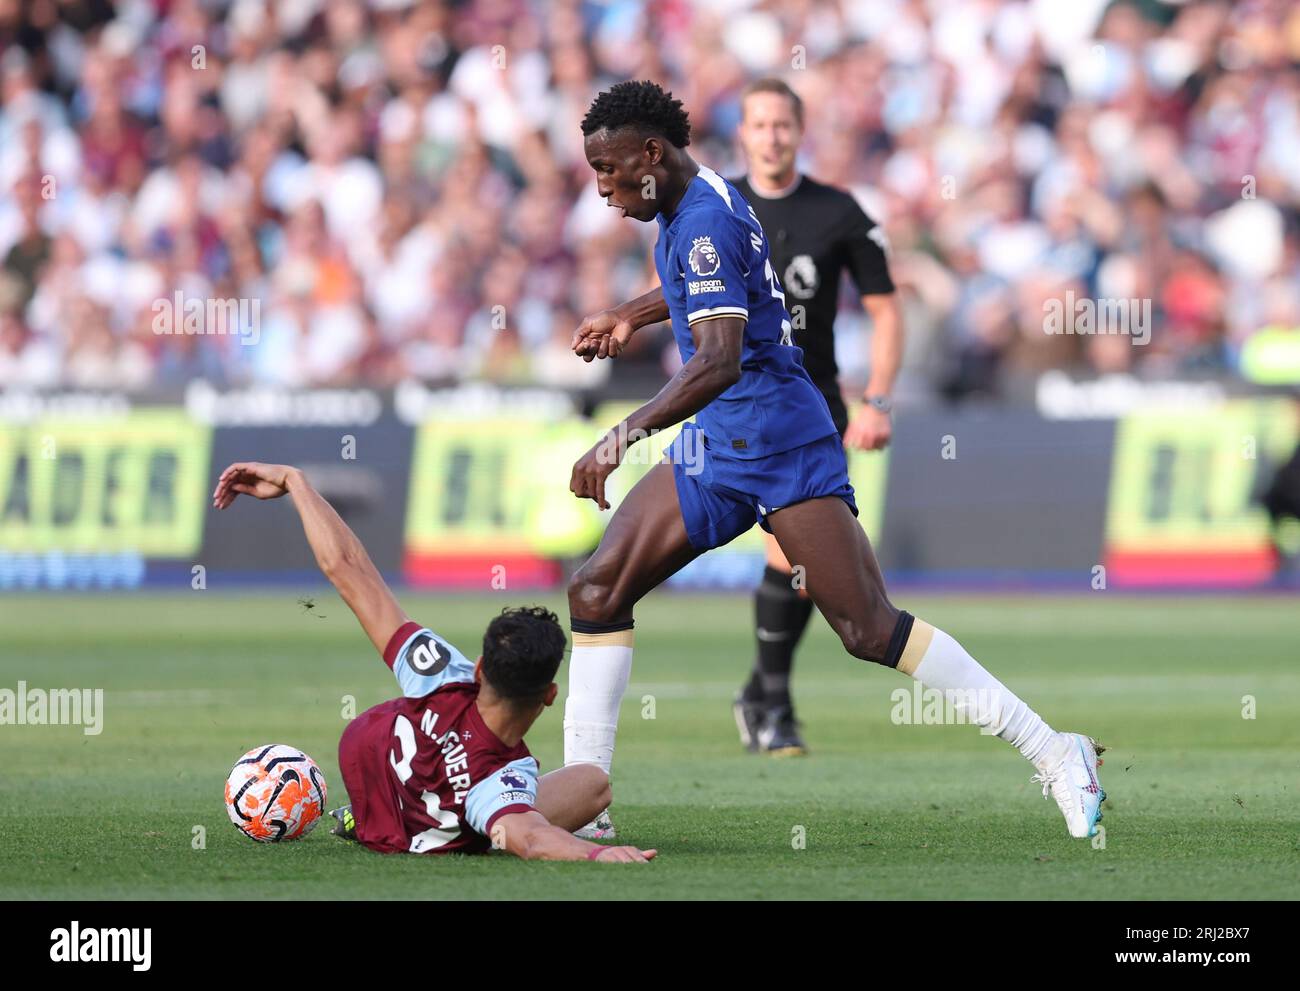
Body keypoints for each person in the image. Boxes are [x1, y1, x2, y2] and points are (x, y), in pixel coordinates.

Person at [564, 80, 1106, 841]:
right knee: (595, 587)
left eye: (608, 169)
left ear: (650, 154)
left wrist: (619, 437)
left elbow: (717, 360)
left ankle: (1056, 750)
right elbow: (717, 287)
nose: (603, 188)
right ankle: (586, 810)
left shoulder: (706, 217)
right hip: (718, 445)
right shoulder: (700, 189)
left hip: (782, 444)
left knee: (867, 629)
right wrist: (631, 310)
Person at [211, 460, 656, 863]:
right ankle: (455, 826)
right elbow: (533, 840)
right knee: (592, 785)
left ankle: (381, 812)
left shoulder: (442, 674)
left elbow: (347, 568)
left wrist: (296, 482)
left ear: (480, 668)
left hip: (370, 777)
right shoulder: (503, 779)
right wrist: (596, 855)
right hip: (419, 829)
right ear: (549, 695)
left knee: (569, 791)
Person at [728, 77, 905, 756]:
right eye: (759, 124)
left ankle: (769, 701)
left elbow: (886, 307)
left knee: (798, 558)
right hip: (736, 401)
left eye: (783, 125)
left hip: (814, 405)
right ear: (742, 133)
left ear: (800, 132)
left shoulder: (840, 212)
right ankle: (765, 697)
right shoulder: (719, 205)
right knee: (793, 561)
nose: (772, 136)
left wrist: (879, 397)